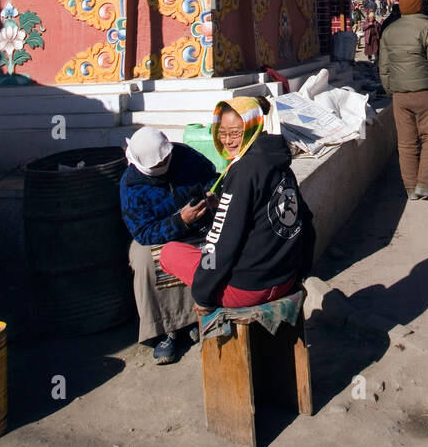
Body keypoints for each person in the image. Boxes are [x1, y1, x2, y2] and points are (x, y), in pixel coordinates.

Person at [159, 96, 316, 314]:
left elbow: (222, 242)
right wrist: (301, 271)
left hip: (248, 289)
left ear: (252, 129)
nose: (228, 140)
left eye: (236, 133)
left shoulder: (243, 170)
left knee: (170, 252)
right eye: (223, 132)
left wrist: (203, 294)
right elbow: (305, 221)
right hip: (285, 278)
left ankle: (186, 323)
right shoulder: (279, 163)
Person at [120, 126, 217, 364]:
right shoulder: (131, 186)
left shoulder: (184, 156)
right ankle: (165, 330)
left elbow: (212, 176)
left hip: (200, 227)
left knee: (218, 247)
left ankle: (195, 318)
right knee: (144, 260)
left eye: (166, 159)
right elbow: (143, 231)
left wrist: (212, 193)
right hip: (158, 237)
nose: (164, 165)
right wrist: (180, 222)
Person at [378, 0, 428, 200]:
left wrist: (390, 89)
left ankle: (410, 188)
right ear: (420, 6)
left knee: (406, 141)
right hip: (427, 92)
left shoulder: (389, 31)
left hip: (400, 94)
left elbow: (384, 67)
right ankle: (425, 184)